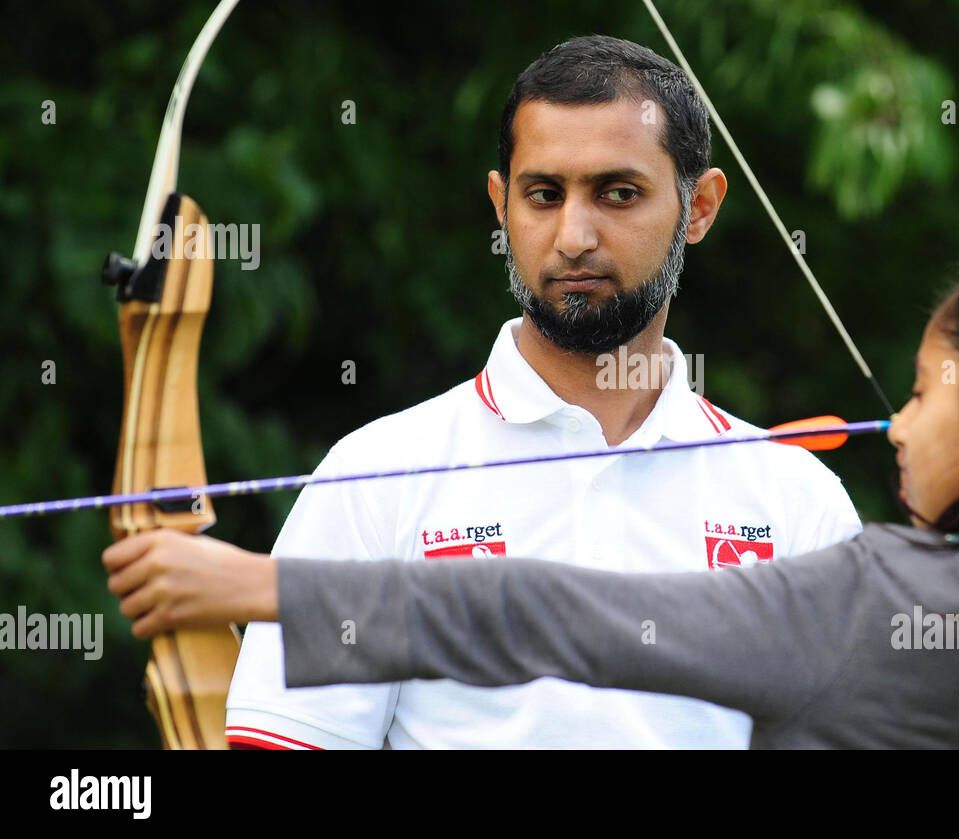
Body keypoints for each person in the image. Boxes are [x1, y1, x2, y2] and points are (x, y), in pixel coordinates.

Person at [105, 254, 959, 748]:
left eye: (931, 389)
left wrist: (263, 584)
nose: (899, 410)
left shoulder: (880, 602)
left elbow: (554, 612)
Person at [216, 35, 862, 749]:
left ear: (699, 206)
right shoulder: (375, 478)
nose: (574, 236)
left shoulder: (797, 501)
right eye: (544, 194)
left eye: (619, 192)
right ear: (502, 204)